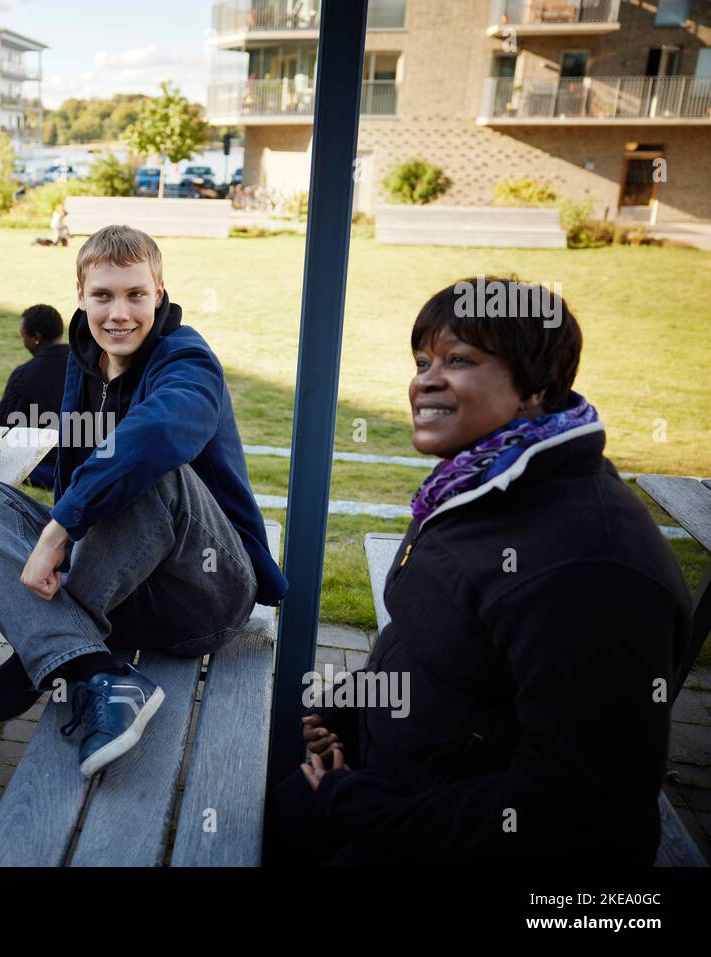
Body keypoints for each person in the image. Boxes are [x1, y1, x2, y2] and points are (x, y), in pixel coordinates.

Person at [275, 278, 692, 865]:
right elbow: (440, 645)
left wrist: (368, 810)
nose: (425, 380)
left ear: (537, 385)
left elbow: (584, 807)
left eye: (459, 360)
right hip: (389, 779)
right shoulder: (478, 484)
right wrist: (357, 705)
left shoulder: (592, 566)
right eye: (422, 361)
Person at [0, 225, 288, 778]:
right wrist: (57, 523)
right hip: (117, 591)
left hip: (200, 595)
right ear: (79, 296)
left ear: (160, 292)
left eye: (135, 294)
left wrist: (56, 534)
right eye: (102, 295)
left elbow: (153, 437)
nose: (119, 313)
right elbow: (78, 472)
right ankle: (90, 665)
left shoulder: (188, 360)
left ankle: (49, 651)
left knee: (150, 465)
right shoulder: (85, 360)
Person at [0, 303, 70, 488]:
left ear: (36, 337)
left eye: (24, 336)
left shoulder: (25, 375)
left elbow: (3, 430)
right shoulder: (86, 363)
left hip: (47, 462)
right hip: (88, 451)